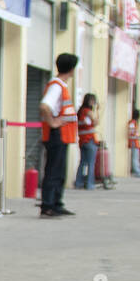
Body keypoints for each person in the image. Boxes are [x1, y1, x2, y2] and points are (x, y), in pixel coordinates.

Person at [39, 53, 79, 216]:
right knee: (53, 171)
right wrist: (53, 122)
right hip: (56, 134)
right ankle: (48, 205)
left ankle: (56, 203)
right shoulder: (56, 86)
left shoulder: (60, 85)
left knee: (59, 172)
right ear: (71, 69)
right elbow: (44, 106)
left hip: (62, 136)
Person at [73, 94, 98, 190]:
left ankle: (78, 182)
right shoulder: (88, 111)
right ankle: (90, 184)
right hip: (90, 140)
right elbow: (95, 122)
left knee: (82, 162)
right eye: (93, 101)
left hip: (82, 140)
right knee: (91, 163)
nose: (93, 103)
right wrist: (97, 111)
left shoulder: (80, 112)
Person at [130, 108, 140, 179]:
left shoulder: (134, 122)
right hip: (134, 142)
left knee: (136, 157)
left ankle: (137, 171)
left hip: (135, 142)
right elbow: (132, 132)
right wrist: (137, 135)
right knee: (135, 158)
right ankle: (137, 171)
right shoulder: (132, 122)